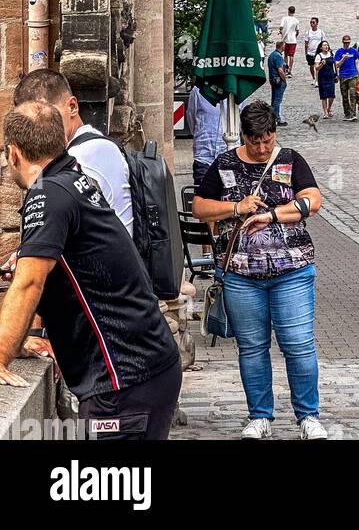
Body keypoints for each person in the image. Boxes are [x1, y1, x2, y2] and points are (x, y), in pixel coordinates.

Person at [0, 103, 182, 438]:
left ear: (13, 154)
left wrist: (0, 353)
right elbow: (77, 265)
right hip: (146, 368)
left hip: (124, 382)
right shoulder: (73, 178)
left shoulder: (47, 194)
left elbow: (29, 283)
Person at [193, 99, 325, 440]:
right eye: (256, 141)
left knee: (298, 344)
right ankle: (260, 416)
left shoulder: (290, 159)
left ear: (274, 133)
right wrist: (236, 206)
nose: (263, 147)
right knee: (252, 347)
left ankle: (308, 416)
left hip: (292, 269)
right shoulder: (224, 164)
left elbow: (312, 200)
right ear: (244, 137)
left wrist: (271, 214)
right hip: (240, 274)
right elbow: (200, 208)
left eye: (268, 139)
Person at [12, 69, 134, 233]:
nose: (39, 127)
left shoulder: (84, 155)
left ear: (72, 106)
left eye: (48, 116)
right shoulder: (96, 144)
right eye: (28, 123)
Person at [185, 83, 227, 189]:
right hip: (204, 156)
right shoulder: (198, 91)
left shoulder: (235, 91)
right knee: (202, 197)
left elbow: (241, 122)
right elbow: (191, 117)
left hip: (227, 154)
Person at [335, 36, 359, 122]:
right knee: (344, 96)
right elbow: (337, 65)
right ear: (343, 42)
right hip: (343, 76)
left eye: (348, 42)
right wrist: (343, 58)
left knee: (353, 95)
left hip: (352, 75)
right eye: (345, 42)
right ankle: (347, 113)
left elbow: (357, 63)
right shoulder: (339, 52)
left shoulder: (354, 51)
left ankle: (353, 114)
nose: (346, 44)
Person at [311, 41, 336, 119]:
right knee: (324, 95)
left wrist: (337, 74)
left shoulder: (331, 54)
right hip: (322, 77)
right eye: (324, 45)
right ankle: (325, 111)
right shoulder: (319, 56)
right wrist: (321, 64)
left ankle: (329, 108)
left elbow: (335, 64)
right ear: (321, 47)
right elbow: (316, 68)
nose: (326, 47)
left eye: (327, 45)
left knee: (331, 95)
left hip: (331, 76)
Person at [266, 40, 289, 126]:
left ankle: (272, 117)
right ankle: (276, 118)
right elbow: (280, 70)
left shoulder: (272, 55)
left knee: (274, 98)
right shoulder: (278, 56)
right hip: (278, 80)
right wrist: (284, 80)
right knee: (277, 100)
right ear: (282, 46)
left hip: (273, 79)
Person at [279, 7, 300, 75]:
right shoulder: (296, 20)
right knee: (291, 56)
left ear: (288, 11)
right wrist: (294, 36)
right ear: (294, 12)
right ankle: (290, 70)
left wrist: (281, 32)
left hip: (286, 39)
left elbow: (281, 27)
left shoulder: (284, 18)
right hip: (293, 40)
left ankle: (285, 68)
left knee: (285, 55)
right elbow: (297, 31)